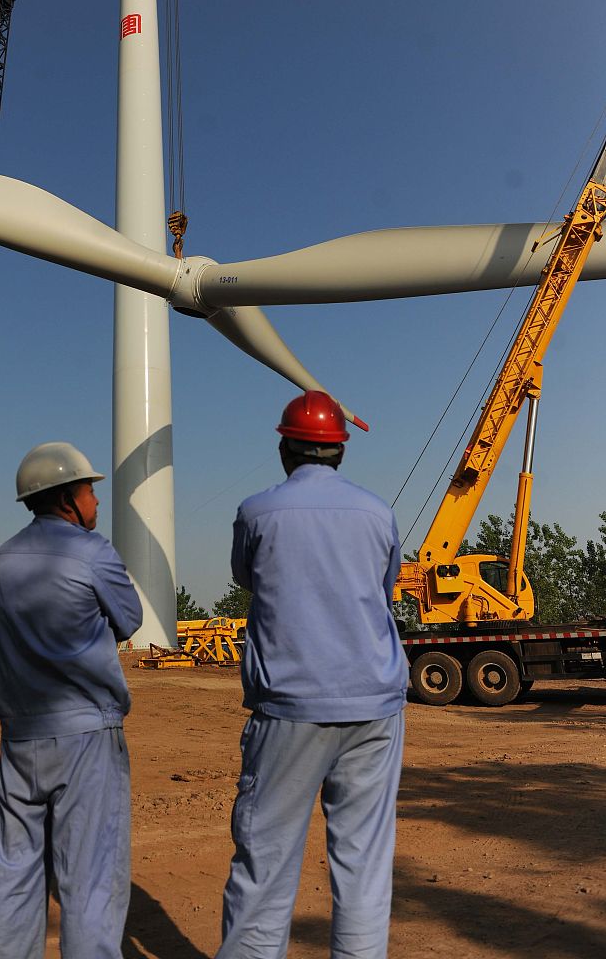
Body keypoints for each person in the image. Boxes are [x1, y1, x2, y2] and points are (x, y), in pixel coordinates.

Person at [217, 391, 408, 959]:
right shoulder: (379, 513)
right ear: (341, 452)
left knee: (266, 861)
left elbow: (246, 578)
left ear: (284, 449)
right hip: (374, 706)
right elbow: (385, 584)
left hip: (289, 709)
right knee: (365, 865)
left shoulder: (257, 512)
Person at [0, 441, 143, 959]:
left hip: (20, 739)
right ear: (67, 497)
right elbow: (131, 619)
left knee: (12, 874)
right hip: (86, 738)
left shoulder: (5, 557)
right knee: (91, 879)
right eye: (90, 490)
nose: (96, 499)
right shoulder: (93, 552)